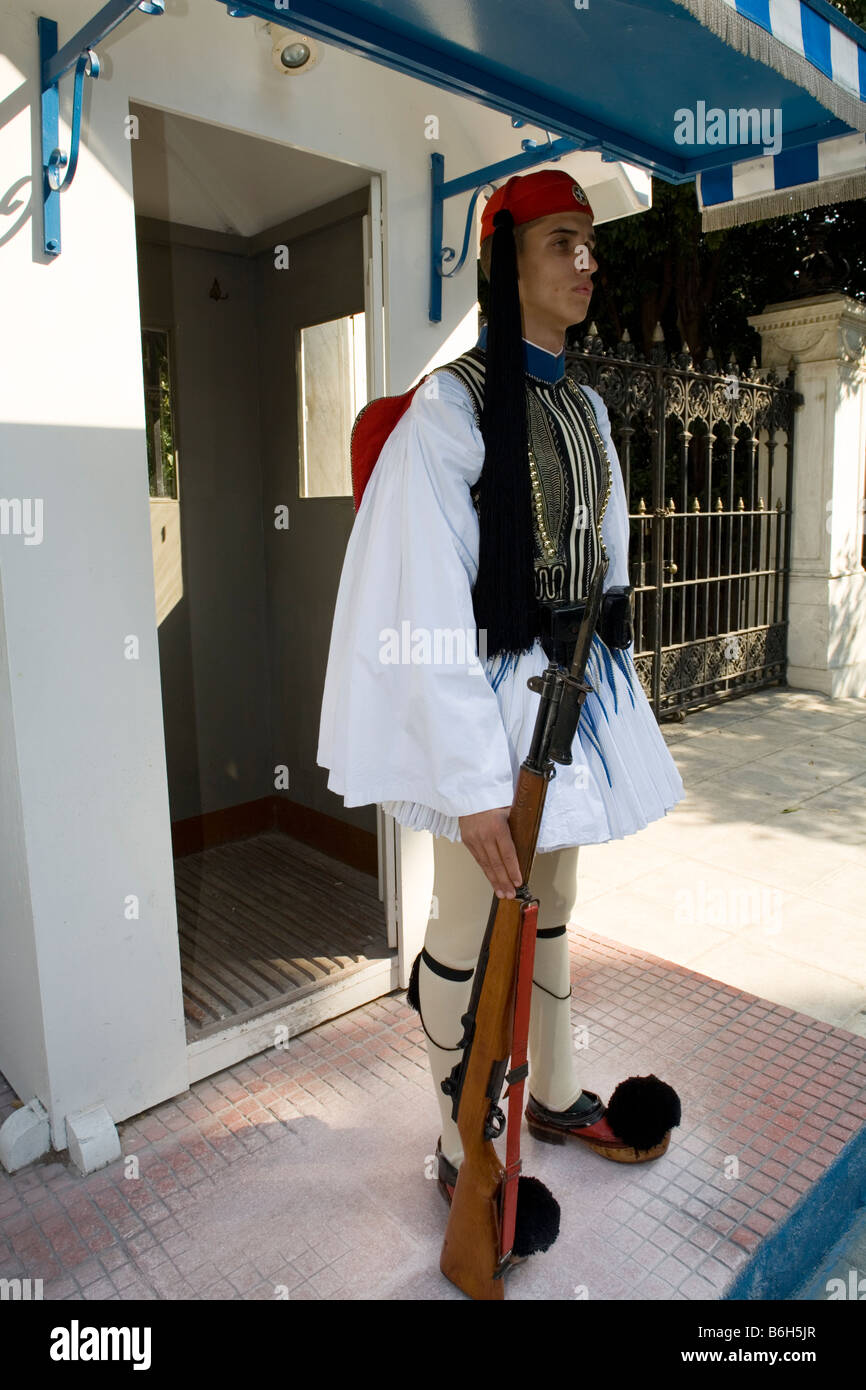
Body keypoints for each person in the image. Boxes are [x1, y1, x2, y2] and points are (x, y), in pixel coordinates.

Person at [317, 169, 685, 1200]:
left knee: (554, 894)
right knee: (467, 917)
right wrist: (476, 779)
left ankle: (554, 1094)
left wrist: (606, 708)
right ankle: (456, 1143)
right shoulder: (450, 409)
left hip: (569, 700)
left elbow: (602, 574)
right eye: (561, 243)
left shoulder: (587, 408)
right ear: (508, 262)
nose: (585, 261)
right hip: (481, 713)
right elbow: (426, 603)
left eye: (588, 244)